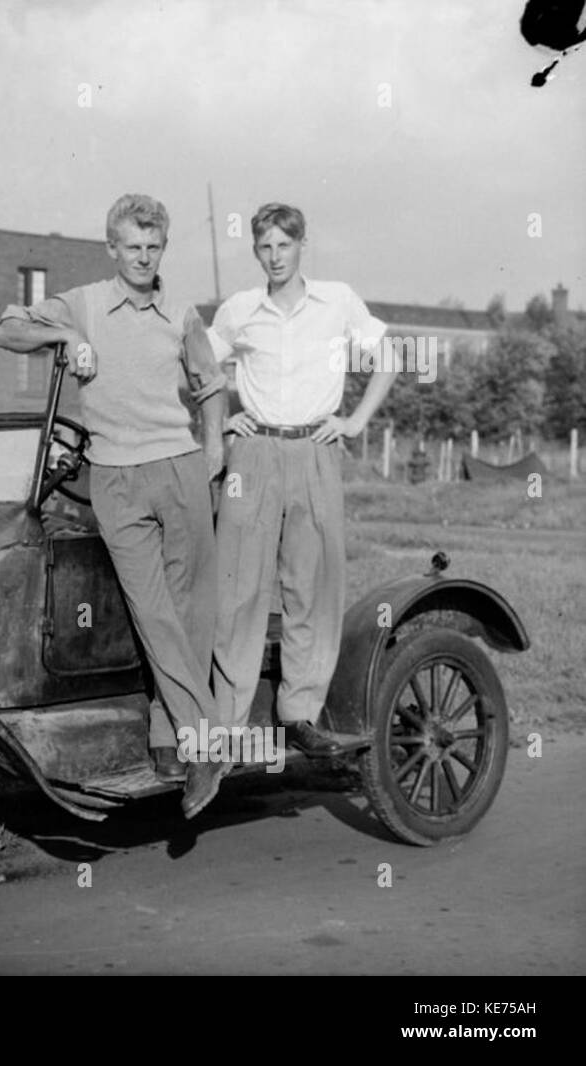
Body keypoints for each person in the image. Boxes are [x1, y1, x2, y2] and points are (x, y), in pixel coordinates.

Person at [0, 194, 231, 819]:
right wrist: (66, 334)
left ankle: (168, 743)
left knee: (190, 616)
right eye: (133, 247)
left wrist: (211, 452)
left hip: (180, 471)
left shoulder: (181, 313)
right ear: (112, 248)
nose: (143, 258)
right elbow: (7, 327)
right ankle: (206, 743)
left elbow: (210, 385)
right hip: (117, 480)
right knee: (152, 614)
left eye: (153, 248)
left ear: (162, 251)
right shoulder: (86, 304)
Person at [208, 202, 396, 752]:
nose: (274, 257)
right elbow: (194, 366)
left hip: (315, 450)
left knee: (310, 587)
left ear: (301, 244)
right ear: (255, 252)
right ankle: (228, 722)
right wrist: (223, 421)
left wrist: (356, 421)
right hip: (255, 452)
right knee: (237, 588)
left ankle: (298, 713)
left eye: (283, 245)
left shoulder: (336, 301)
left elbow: (388, 356)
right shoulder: (240, 309)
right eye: (264, 247)